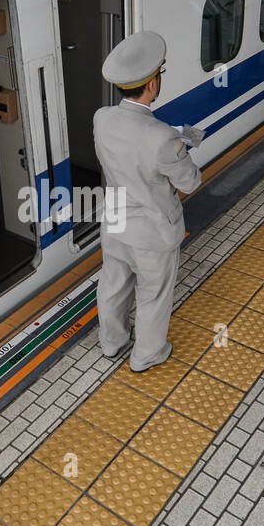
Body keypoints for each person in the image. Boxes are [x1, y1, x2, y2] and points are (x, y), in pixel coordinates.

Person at [93, 30, 202, 373]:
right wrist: (182, 146)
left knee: (113, 284)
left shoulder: (102, 118)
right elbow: (190, 182)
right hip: (153, 233)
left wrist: (169, 142)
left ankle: (112, 342)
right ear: (152, 84)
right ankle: (146, 355)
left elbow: (130, 146)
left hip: (115, 223)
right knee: (153, 293)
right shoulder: (163, 138)